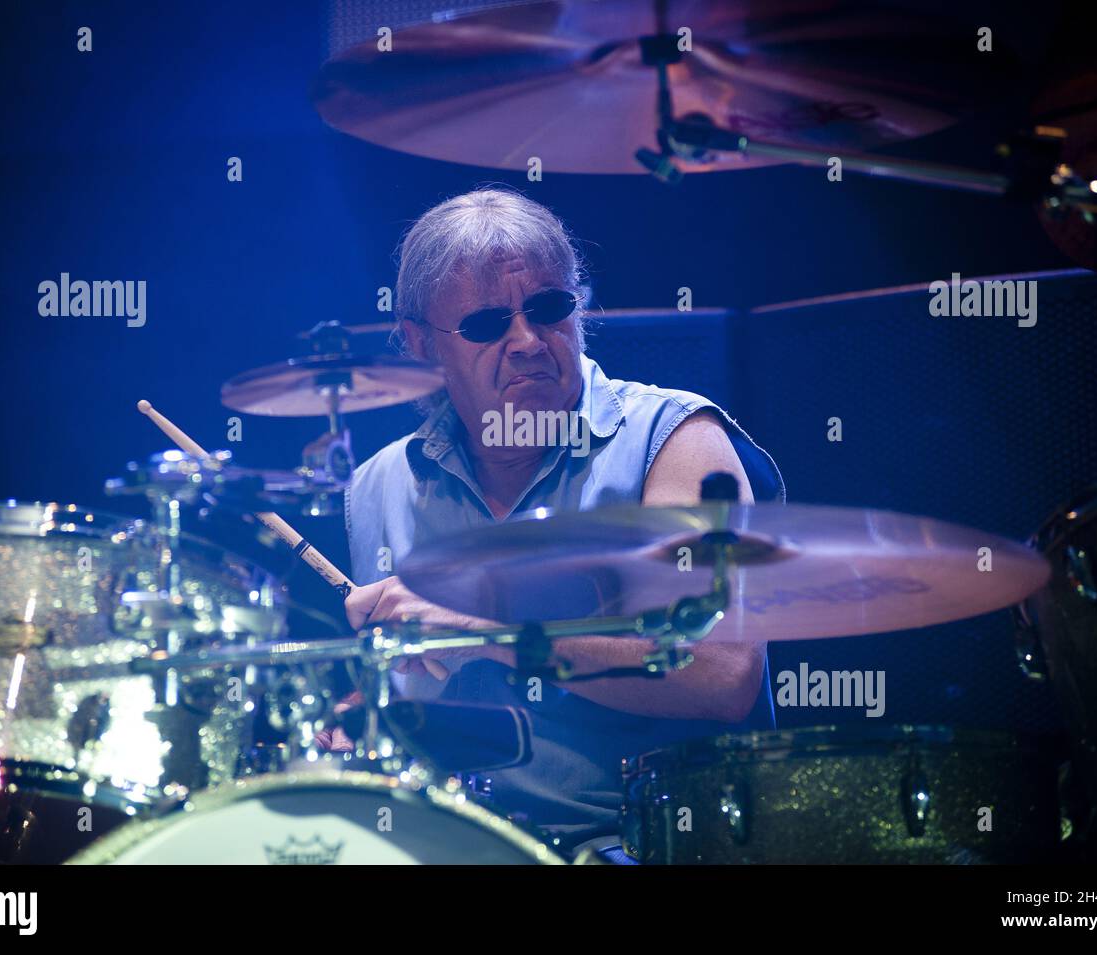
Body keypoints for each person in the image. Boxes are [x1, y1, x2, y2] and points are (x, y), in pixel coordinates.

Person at [334, 188, 784, 861]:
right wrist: (361, 723)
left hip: (633, 847)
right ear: (420, 343)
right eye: (487, 324)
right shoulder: (375, 486)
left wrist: (493, 633)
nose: (528, 343)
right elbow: (411, 693)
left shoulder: (677, 440)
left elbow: (722, 671)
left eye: (549, 309)